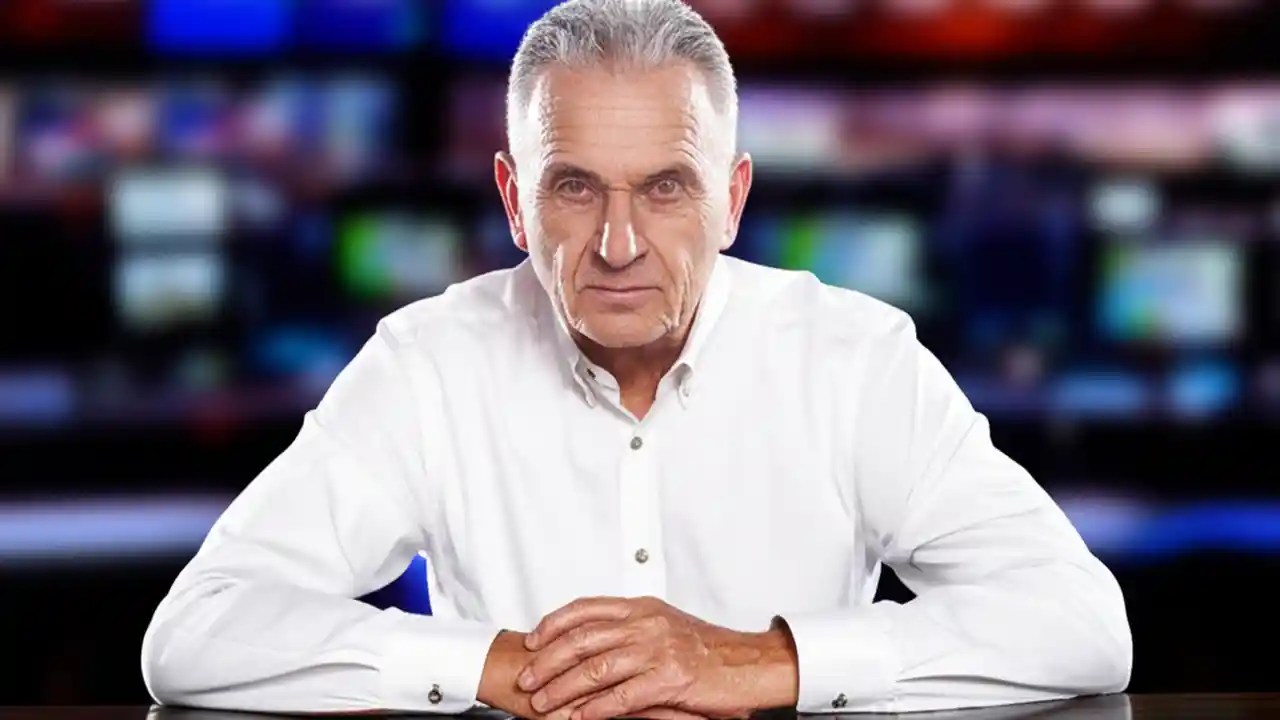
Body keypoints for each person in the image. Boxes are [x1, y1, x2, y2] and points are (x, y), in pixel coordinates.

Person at [140, 1, 1132, 717]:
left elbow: (1080, 624)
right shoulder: (427, 365)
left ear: (731, 200)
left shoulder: (855, 360)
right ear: (513, 200)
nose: (619, 245)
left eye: (665, 188)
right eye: (575, 188)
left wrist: (757, 662)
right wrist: (505, 666)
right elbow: (196, 634)